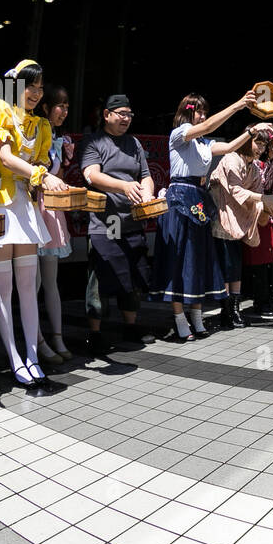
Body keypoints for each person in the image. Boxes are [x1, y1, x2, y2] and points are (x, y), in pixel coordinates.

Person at [0, 58, 68, 395]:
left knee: (29, 288)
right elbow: (3, 158)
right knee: (3, 291)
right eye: (29, 85)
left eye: (39, 87)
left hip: (25, 208)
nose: (35, 92)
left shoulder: (41, 125)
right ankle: (15, 359)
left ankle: (32, 357)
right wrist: (41, 175)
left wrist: (40, 179)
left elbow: (40, 162)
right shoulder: (0, 109)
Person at [152, 91, 258, 340]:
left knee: (197, 260)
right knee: (178, 260)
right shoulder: (179, 134)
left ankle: (197, 316)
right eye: (198, 111)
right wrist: (239, 104)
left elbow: (231, 147)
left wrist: (252, 132)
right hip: (179, 199)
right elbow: (209, 126)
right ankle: (179, 318)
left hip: (199, 200)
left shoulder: (204, 144)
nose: (202, 116)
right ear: (187, 112)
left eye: (203, 112)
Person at [81, 93, 158, 354]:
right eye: (121, 113)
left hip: (131, 219)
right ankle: (94, 333)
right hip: (106, 219)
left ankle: (130, 326)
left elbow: (146, 175)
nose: (126, 118)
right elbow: (91, 175)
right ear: (107, 115)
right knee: (100, 277)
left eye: (129, 114)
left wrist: (146, 193)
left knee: (132, 275)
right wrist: (125, 186)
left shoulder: (134, 143)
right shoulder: (94, 141)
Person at [210, 126, 273, 328]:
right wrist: (264, 200)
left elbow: (258, 196)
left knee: (235, 264)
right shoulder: (231, 159)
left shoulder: (254, 167)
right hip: (222, 216)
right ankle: (226, 309)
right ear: (247, 141)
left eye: (263, 144)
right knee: (226, 265)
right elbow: (235, 190)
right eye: (257, 143)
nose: (261, 148)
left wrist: (270, 209)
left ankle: (234, 308)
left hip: (238, 218)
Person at [34, 85, 75, 364]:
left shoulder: (61, 139)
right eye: (59, 105)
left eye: (67, 106)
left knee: (51, 281)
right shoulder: (34, 131)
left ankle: (57, 337)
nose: (64, 111)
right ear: (46, 108)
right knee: (32, 283)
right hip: (32, 206)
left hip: (51, 210)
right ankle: (37, 340)